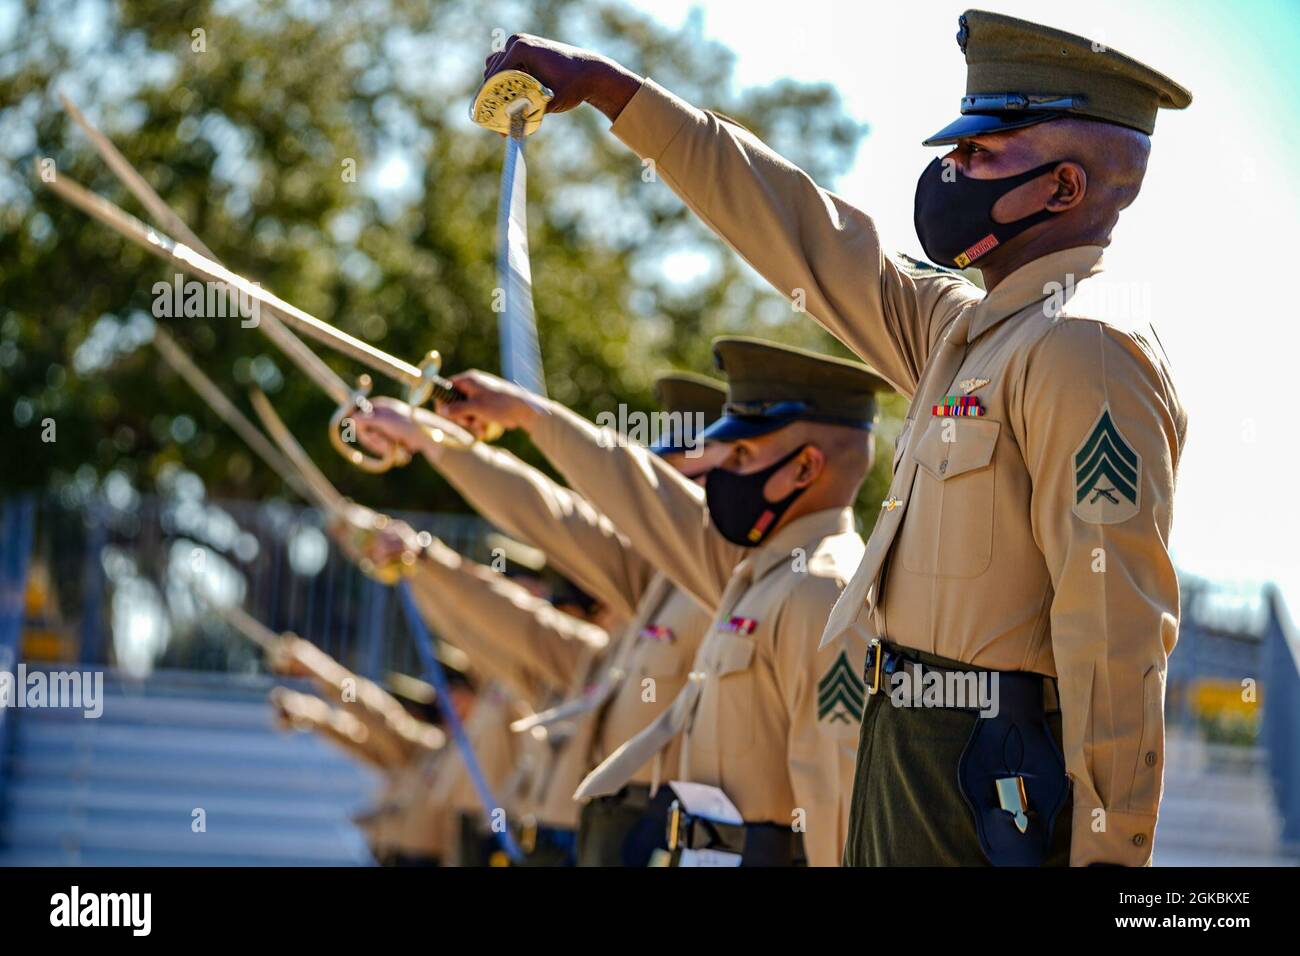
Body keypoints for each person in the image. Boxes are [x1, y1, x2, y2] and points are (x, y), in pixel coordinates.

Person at [475, 9, 1190, 866]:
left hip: (978, 765)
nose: (948, 171)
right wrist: (615, 93)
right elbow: (801, 232)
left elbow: (1115, 629)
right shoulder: (967, 334)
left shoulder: (1086, 347)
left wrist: (1108, 865)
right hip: (913, 751)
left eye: (979, 154)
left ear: (1064, 189)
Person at [436, 337, 891, 866]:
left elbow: (837, 794)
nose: (718, 474)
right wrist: (518, 418)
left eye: (739, 454)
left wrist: (528, 416)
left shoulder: (820, 589)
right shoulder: (754, 573)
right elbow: (610, 499)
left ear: (805, 469)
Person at [352, 373, 731, 865]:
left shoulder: (729, 577)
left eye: (672, 489)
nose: (642, 516)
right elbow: (553, 519)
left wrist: (529, 415)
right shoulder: (660, 586)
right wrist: (430, 439)